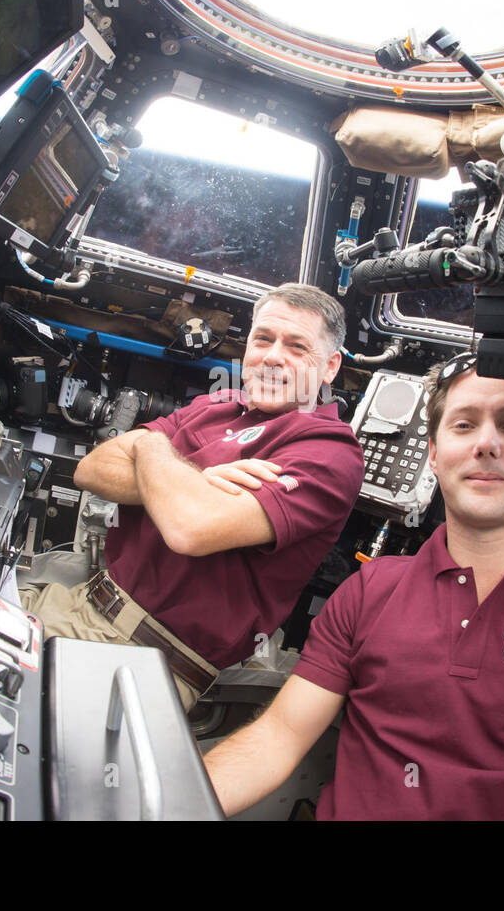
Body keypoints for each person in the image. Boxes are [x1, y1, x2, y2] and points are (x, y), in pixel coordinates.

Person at [203, 352, 504, 819]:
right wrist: (168, 802)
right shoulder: (369, 592)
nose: (487, 444)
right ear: (432, 452)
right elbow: (277, 737)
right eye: (464, 425)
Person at [20, 283, 364, 709]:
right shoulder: (216, 405)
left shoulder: (327, 452)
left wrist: (148, 447)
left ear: (329, 368)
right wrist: (200, 479)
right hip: (76, 598)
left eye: (297, 347)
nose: (273, 357)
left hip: (138, 657)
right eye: (263, 339)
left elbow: (189, 527)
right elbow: (92, 470)